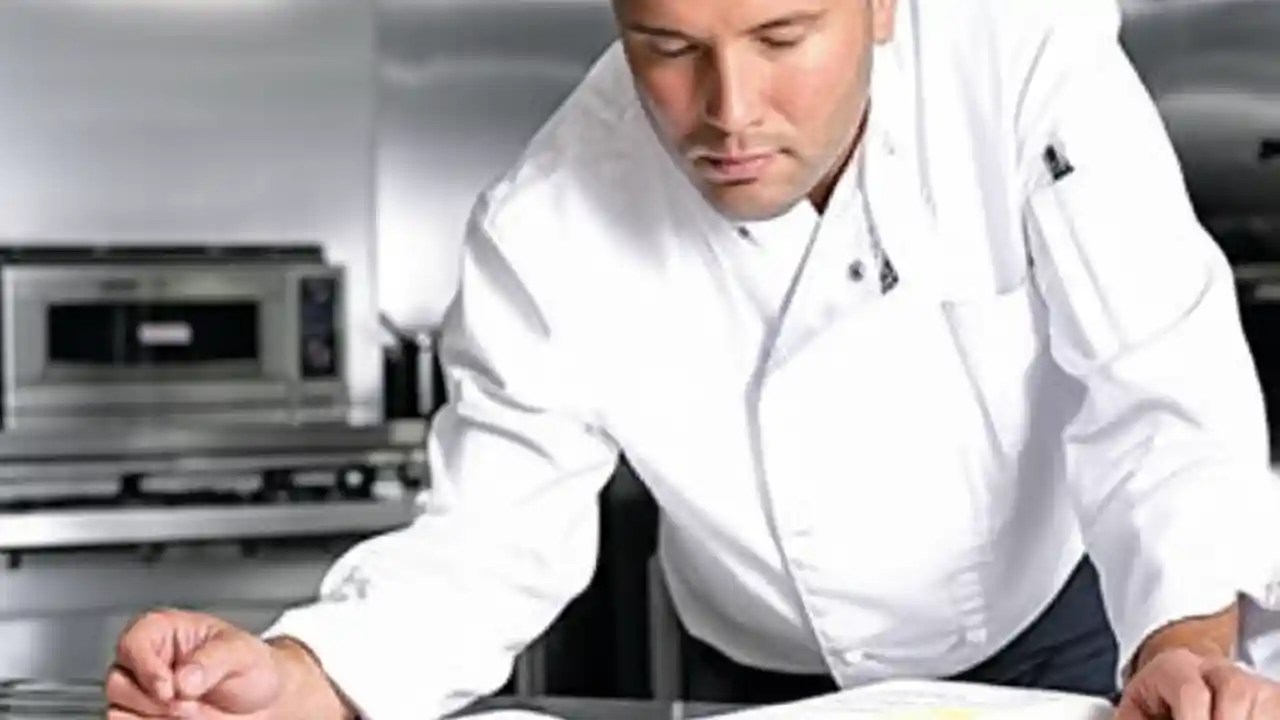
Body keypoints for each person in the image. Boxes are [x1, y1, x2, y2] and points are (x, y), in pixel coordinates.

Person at [107, 0, 1280, 718]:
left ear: (878, 4)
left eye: (781, 37)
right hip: (756, 678)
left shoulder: (1026, 63)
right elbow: (490, 539)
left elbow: (1157, 379)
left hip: (1056, 638)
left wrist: (1182, 644)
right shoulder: (550, 216)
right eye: (666, 46)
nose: (728, 111)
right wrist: (305, 673)